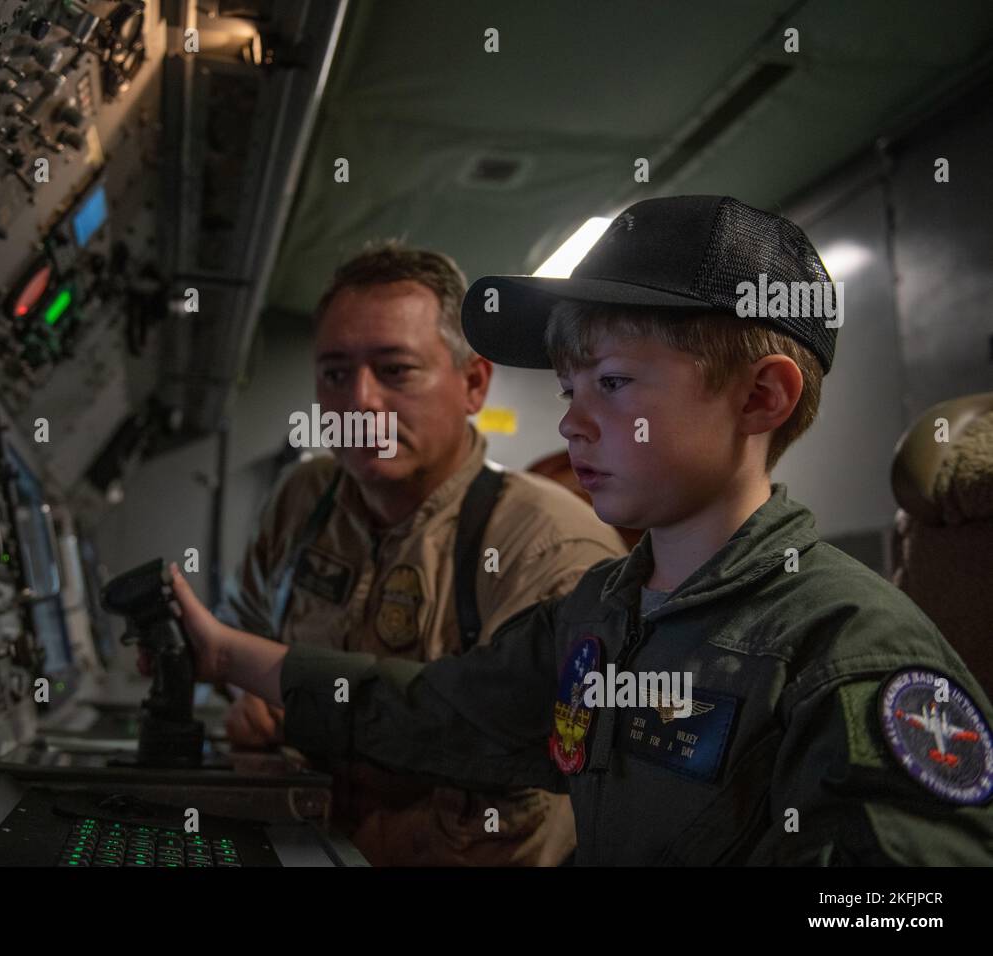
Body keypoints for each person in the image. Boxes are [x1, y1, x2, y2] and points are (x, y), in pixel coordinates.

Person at [167, 196, 993, 864]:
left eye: (613, 381)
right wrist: (226, 654)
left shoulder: (846, 652)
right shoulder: (602, 611)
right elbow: (439, 713)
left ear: (759, 398)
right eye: (570, 389)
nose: (574, 426)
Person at [216, 242, 627, 865]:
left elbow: (527, 738)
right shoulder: (303, 500)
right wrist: (250, 698)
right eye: (334, 373)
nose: (360, 401)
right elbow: (243, 626)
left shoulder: (545, 542)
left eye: (395, 370)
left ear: (472, 384)